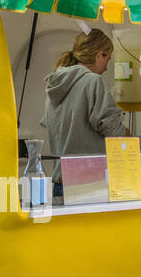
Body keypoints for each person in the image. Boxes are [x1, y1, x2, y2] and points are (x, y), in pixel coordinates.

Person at [41, 29, 128, 185]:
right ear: (99, 54)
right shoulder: (93, 82)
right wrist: (131, 136)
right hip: (88, 184)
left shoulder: (55, 85)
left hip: (61, 183)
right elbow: (114, 131)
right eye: (108, 59)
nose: (107, 67)